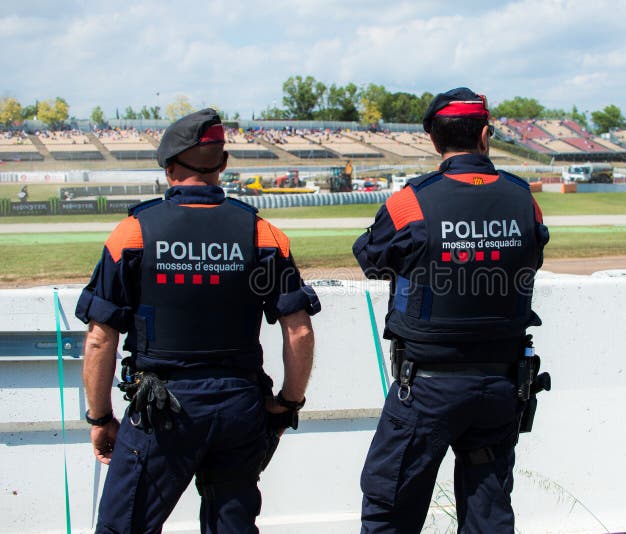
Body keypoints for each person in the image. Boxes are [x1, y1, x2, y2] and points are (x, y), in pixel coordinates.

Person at [76, 108, 320, 533]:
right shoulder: (262, 233)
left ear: (169, 167)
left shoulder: (133, 233)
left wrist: (100, 418)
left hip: (163, 408)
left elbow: (100, 339)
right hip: (240, 406)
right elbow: (298, 330)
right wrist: (287, 405)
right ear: (222, 163)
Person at [353, 88, 550, 533]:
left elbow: (371, 260)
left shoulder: (410, 201)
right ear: (485, 135)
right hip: (501, 387)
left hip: (426, 387)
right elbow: (533, 256)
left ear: (433, 139)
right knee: (488, 515)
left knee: (390, 512)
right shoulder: (524, 199)